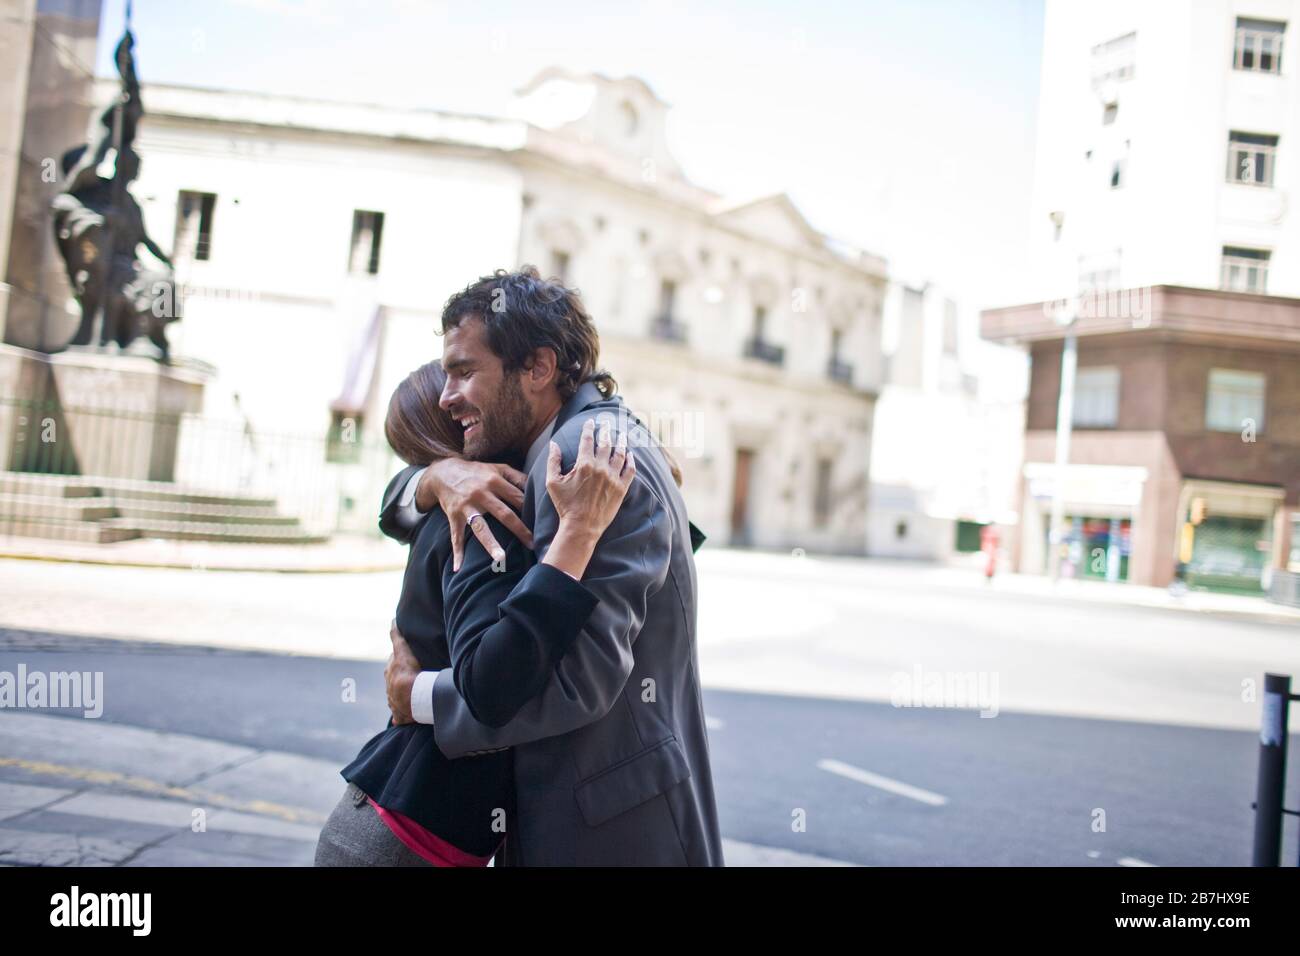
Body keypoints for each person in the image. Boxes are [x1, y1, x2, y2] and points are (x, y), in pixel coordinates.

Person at [380, 266, 723, 866]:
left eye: (464, 371)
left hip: (611, 828)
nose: (446, 394)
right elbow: (404, 501)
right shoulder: (558, 443)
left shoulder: (591, 457)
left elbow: (577, 681)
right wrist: (435, 475)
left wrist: (422, 696)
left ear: (537, 368)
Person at [314, 360, 635, 866]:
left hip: (401, 821)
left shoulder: (460, 502)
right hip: (405, 836)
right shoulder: (478, 518)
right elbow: (492, 682)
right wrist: (578, 534)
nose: (458, 398)